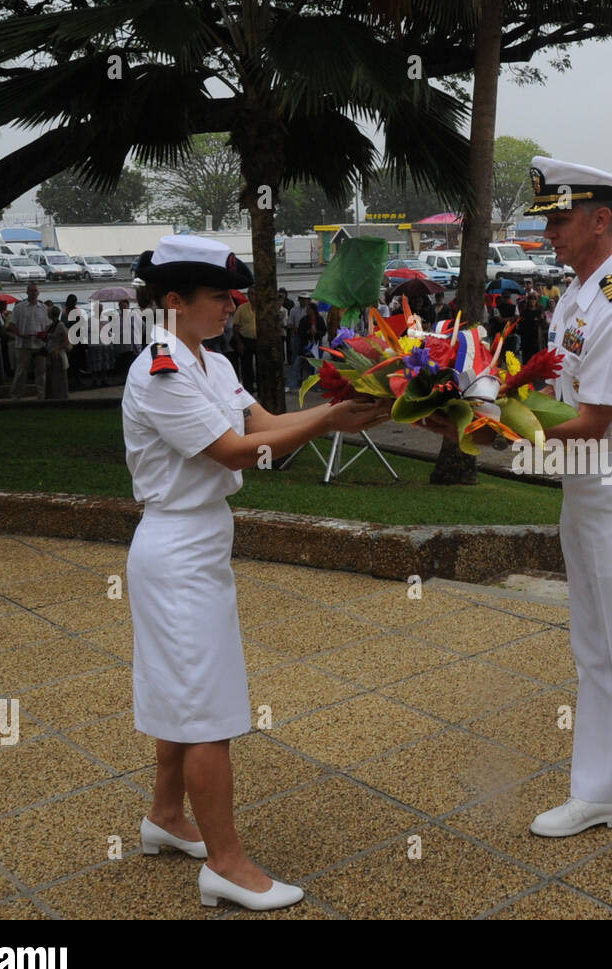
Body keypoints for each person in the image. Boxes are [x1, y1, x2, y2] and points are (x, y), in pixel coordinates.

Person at [431, 157, 612, 870]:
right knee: (594, 648)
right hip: (585, 489)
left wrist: (484, 425)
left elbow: (594, 416)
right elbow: (553, 395)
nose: (548, 231)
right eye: (546, 218)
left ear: (600, 220)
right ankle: (603, 789)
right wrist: (477, 404)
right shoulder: (577, 294)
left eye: (559, 217)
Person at [122, 235, 391, 910]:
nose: (232, 305)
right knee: (207, 709)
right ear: (175, 301)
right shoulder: (160, 368)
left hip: (199, 541)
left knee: (182, 690)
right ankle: (226, 863)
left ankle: (164, 816)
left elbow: (265, 421)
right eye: (220, 296)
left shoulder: (206, 361)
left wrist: (342, 417)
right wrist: (330, 415)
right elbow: (236, 452)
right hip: (176, 545)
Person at [231, 287, 258, 392]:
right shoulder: (242, 308)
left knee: (261, 366)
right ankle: (249, 390)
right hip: (246, 340)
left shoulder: (263, 308)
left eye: (255, 294)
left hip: (259, 341)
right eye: (251, 294)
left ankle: (261, 389)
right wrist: (239, 343)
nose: (253, 296)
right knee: (247, 367)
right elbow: (235, 327)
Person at [44, 304, 71, 399]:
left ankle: (61, 395)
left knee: (58, 376)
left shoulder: (60, 325)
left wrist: (58, 349)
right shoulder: (51, 325)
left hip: (57, 354)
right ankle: (53, 395)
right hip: (50, 352)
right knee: (52, 376)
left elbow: (67, 340)